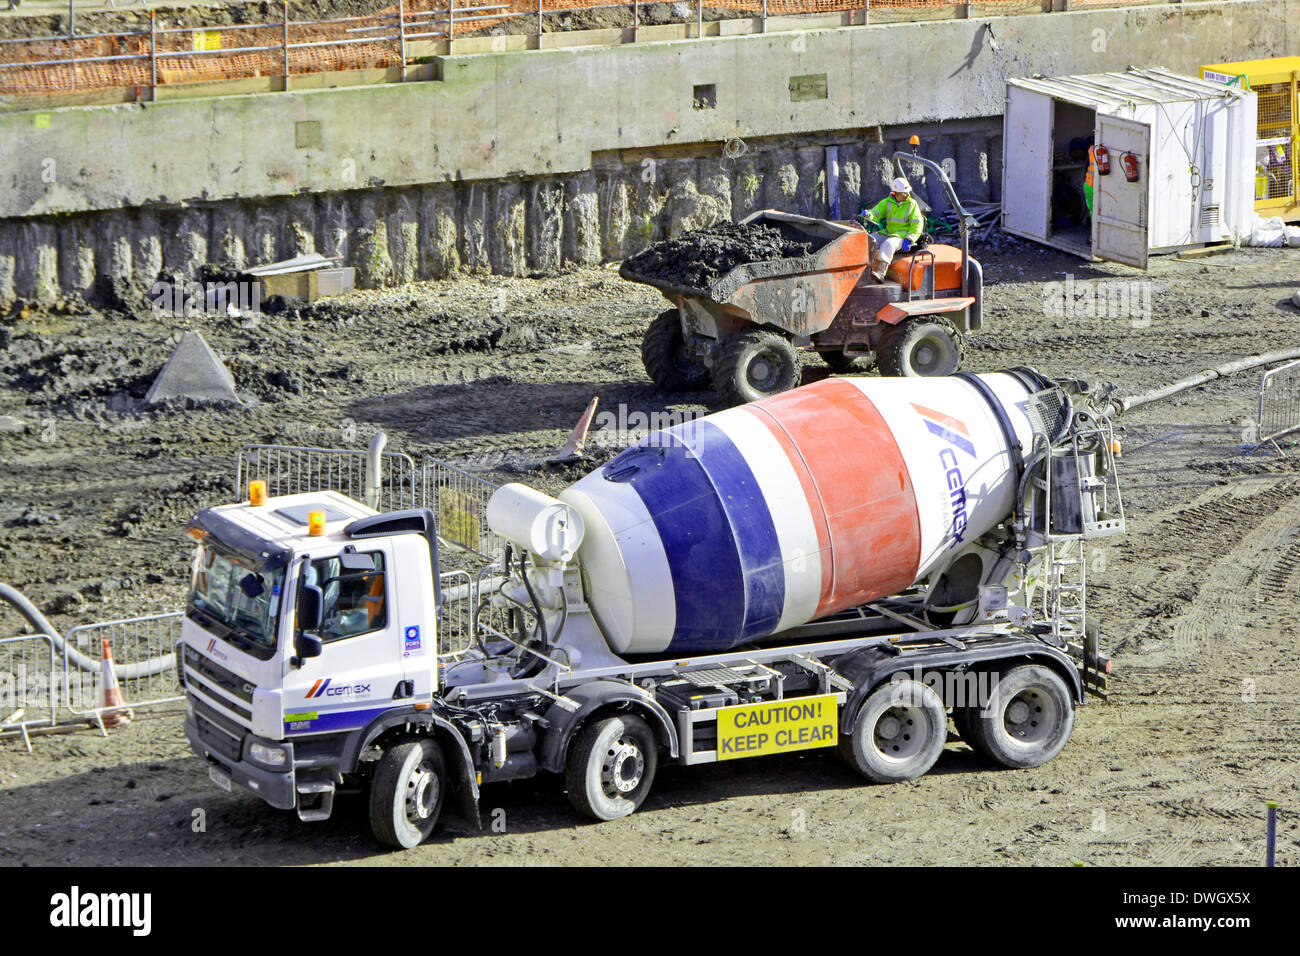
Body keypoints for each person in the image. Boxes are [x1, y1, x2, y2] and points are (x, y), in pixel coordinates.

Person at [859, 177, 924, 282]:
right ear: (896, 193)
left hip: (902, 235)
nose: (907, 194)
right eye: (904, 193)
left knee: (888, 245)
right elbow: (876, 213)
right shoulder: (887, 202)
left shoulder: (912, 205)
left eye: (907, 192)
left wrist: (910, 239)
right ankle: (864, 269)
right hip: (889, 232)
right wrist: (868, 214)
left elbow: (917, 224)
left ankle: (880, 273)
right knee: (869, 240)